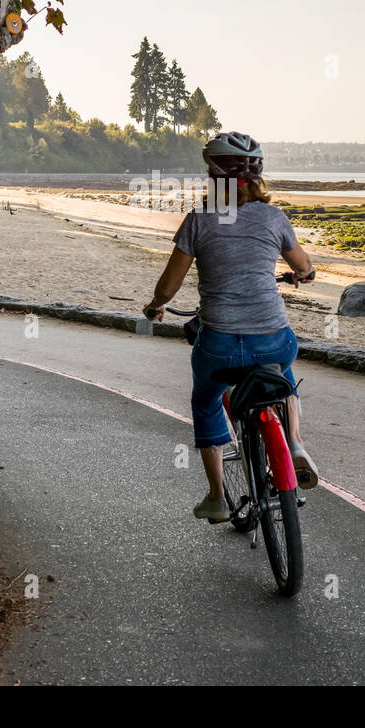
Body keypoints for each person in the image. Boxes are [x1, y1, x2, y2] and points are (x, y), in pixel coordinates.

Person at [144, 132, 319, 523]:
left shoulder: (199, 220)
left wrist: (156, 307)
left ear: (213, 176)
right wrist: (301, 275)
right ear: (257, 175)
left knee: (206, 402)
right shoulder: (274, 218)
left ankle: (217, 497)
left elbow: (168, 287)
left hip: (219, 344)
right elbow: (303, 266)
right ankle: (294, 444)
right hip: (272, 339)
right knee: (283, 376)